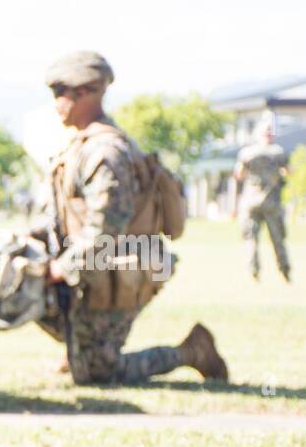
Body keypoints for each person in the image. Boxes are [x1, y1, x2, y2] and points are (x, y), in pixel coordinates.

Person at [36, 50, 228, 385]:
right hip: (100, 266)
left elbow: (107, 228)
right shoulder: (81, 145)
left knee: (97, 375)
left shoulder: (104, 153)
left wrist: (61, 268)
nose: (55, 103)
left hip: (122, 266)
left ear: (84, 93)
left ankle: (193, 351)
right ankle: (82, 345)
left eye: (59, 93)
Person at [234, 117, 291, 282]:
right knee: (278, 239)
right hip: (272, 202)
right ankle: (284, 269)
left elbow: (239, 174)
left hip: (250, 202)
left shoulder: (247, 152)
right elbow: (288, 171)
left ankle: (254, 271)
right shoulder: (278, 152)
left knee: (251, 239)